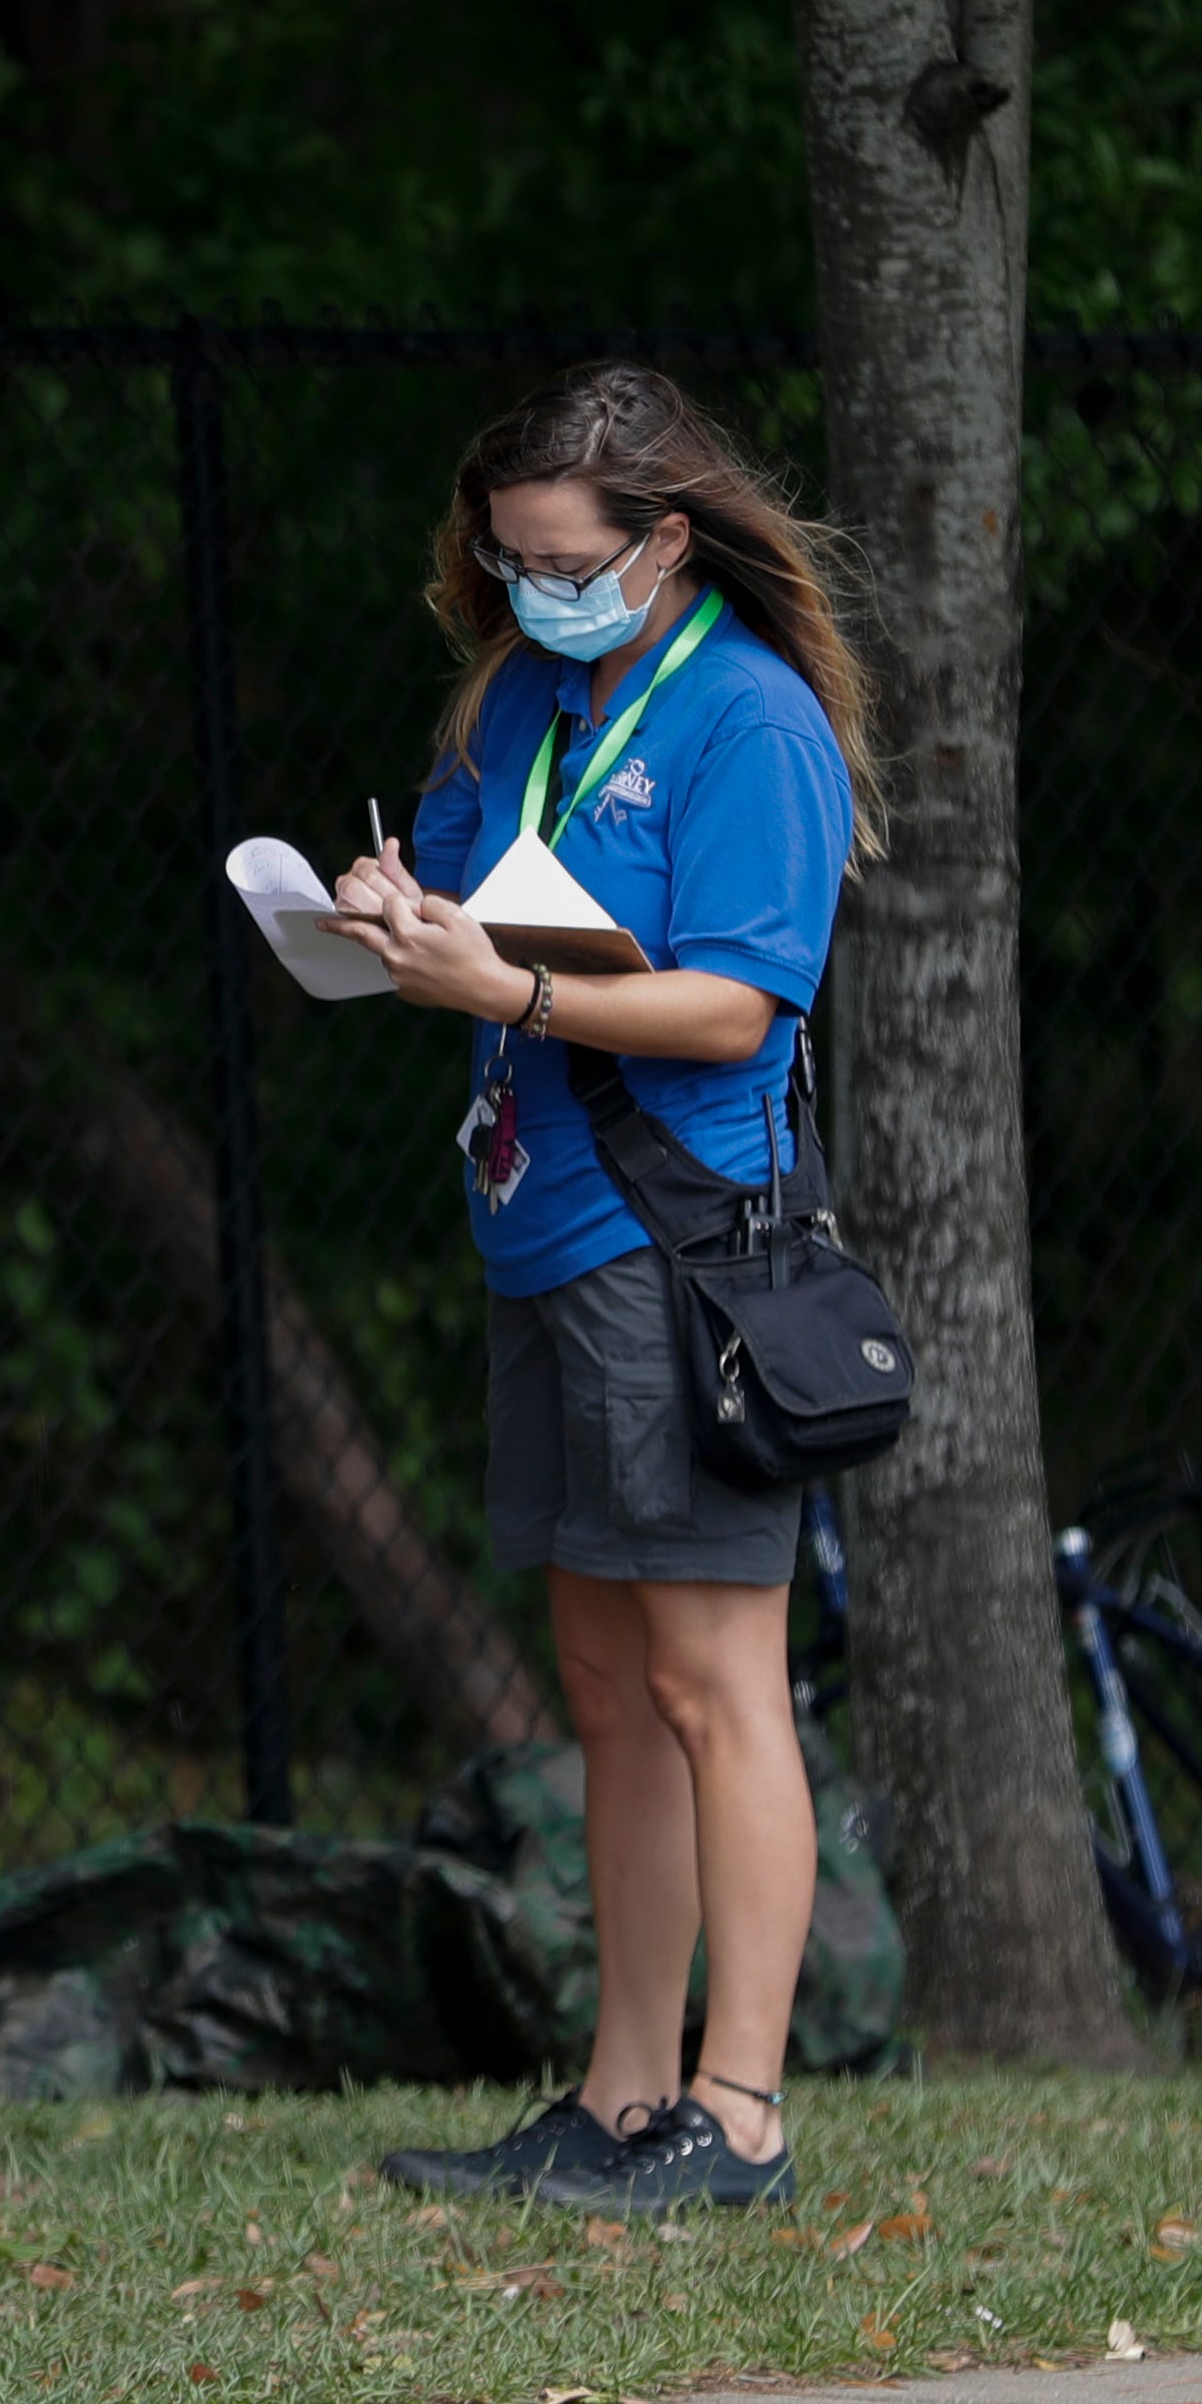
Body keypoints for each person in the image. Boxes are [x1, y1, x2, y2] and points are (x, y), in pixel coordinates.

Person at [325, 364, 869, 2217]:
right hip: (538, 1236)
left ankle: (742, 2114)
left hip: (683, 1251)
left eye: (559, 558)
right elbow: (475, 915)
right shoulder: (529, 695)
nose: (528, 585)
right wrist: (388, 916)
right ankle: (622, 2098)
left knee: (722, 1685)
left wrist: (516, 994)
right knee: (607, 1690)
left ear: (664, 541)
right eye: (505, 556)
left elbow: (736, 1004)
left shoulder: (751, 718)